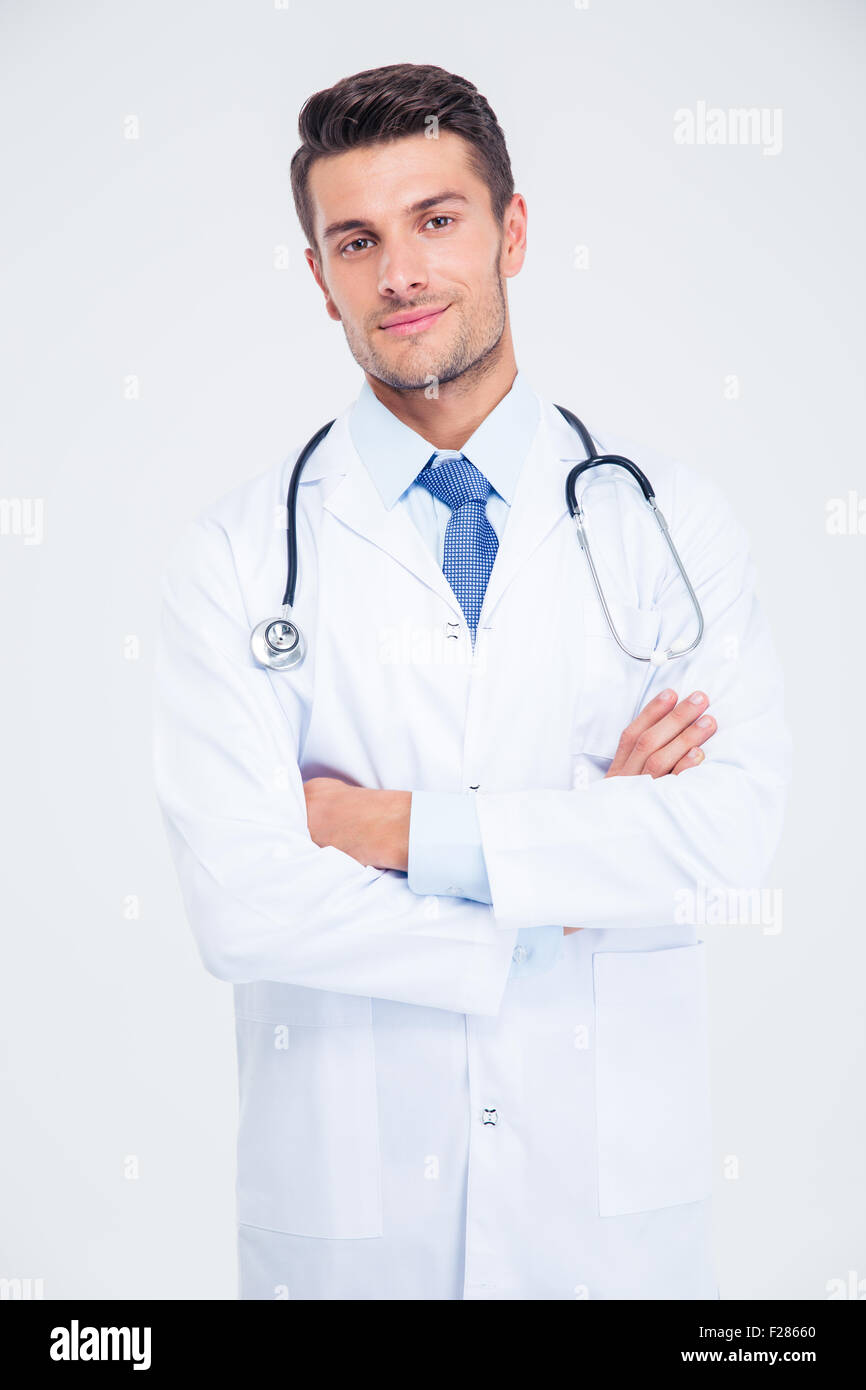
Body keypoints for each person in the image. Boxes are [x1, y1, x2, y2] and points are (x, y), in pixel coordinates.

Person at [152, 62, 791, 1300]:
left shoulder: (669, 525)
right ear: (318, 274)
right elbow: (243, 905)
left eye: (435, 221)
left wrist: (376, 828)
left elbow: (726, 833)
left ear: (511, 229)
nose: (399, 273)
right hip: (352, 1236)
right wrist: (567, 876)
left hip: (607, 1242)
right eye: (356, 239)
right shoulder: (236, 559)